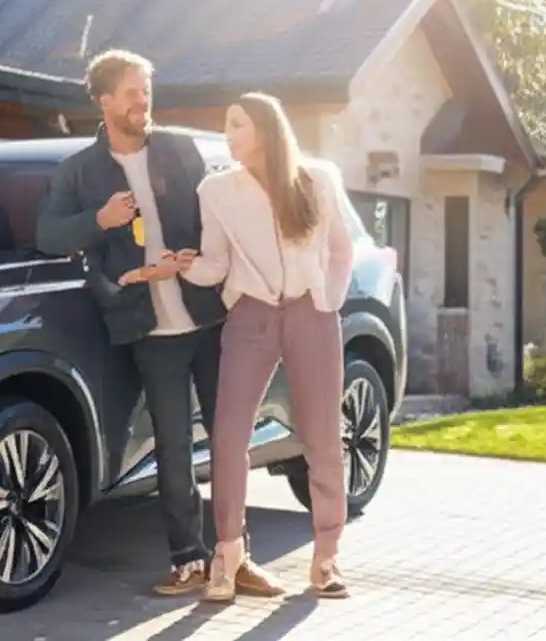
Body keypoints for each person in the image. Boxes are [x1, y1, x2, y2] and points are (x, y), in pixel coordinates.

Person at [36, 50, 283, 597]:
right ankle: (189, 560)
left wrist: (207, 265)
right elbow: (48, 236)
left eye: (146, 90)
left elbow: (216, 217)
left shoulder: (178, 149)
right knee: (173, 449)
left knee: (229, 440)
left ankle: (236, 557)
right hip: (148, 331)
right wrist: (97, 221)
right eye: (130, 92)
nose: (142, 101)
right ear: (104, 101)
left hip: (208, 318)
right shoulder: (79, 171)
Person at [175, 91, 354, 602]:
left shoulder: (317, 178)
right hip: (250, 315)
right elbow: (216, 262)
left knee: (321, 438)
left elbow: (340, 247)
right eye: (227, 126)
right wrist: (183, 265)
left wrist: (327, 301)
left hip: (311, 312)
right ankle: (227, 555)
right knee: (228, 436)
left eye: (237, 125)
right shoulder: (216, 190)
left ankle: (327, 555)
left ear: (265, 130)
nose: (229, 135)